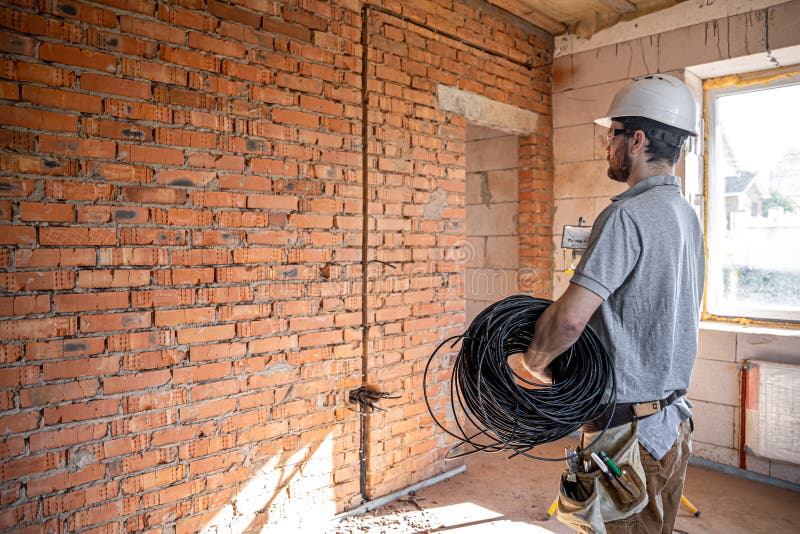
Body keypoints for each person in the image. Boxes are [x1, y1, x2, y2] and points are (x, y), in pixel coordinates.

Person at [521, 74, 705, 533]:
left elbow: (567, 322)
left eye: (613, 134)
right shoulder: (686, 216)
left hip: (625, 441)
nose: (607, 145)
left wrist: (535, 364)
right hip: (671, 426)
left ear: (637, 139)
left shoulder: (625, 215)